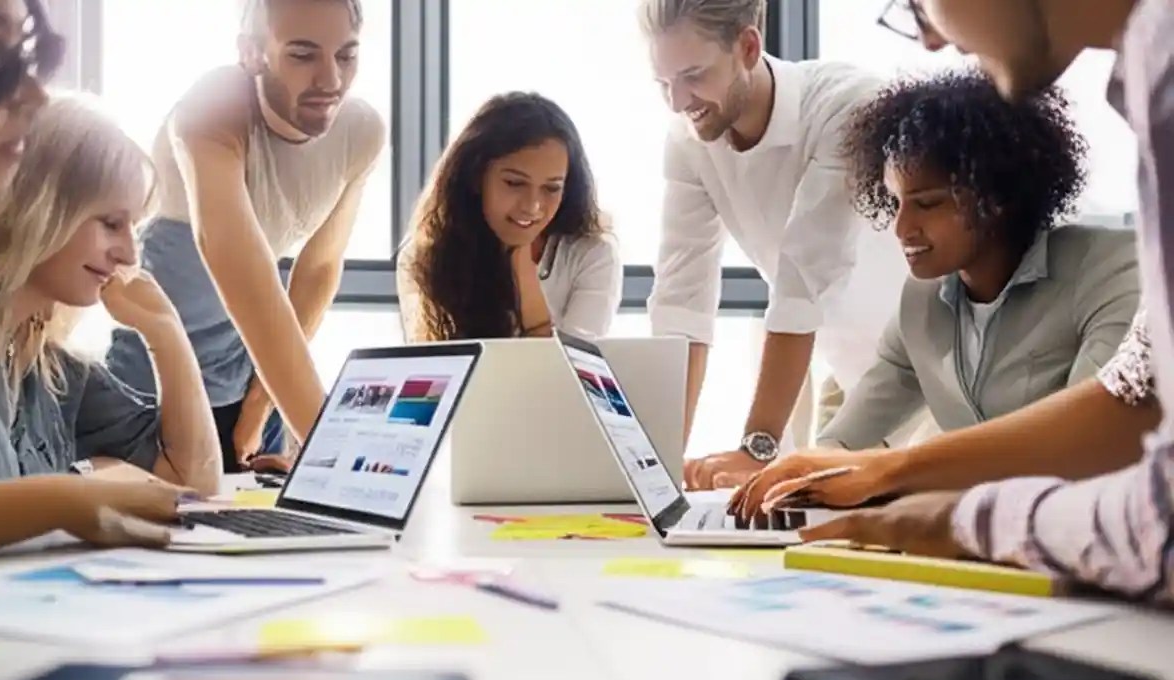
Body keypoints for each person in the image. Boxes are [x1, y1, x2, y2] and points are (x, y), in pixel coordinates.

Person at [784, 0, 1174, 604]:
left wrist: (957, 516)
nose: (931, 37)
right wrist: (828, 473)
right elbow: (1132, 402)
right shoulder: (1150, 66)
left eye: (917, 4)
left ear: (994, 197)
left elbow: (1143, 495)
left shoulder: (1109, 260)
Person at [0, 0, 204, 570]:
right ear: (40, 206)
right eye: (110, 222)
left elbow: (188, 481)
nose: (130, 252)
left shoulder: (41, 357)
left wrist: (167, 333)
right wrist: (63, 501)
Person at [105, 0, 386, 472]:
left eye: (345, 55)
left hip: (254, 379)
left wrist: (261, 404)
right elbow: (237, 264)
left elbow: (318, 269)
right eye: (303, 55)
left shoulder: (361, 133)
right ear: (252, 53)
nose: (331, 80)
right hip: (150, 385)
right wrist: (334, 454)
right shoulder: (213, 108)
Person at [798, 70, 1137, 460]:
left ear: (997, 197)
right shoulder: (921, 304)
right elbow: (838, 444)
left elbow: (1085, 441)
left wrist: (894, 471)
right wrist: (795, 474)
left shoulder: (1112, 269)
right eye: (895, 203)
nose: (901, 227)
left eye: (927, 204)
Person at [640, 0, 910, 489]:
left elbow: (803, 280)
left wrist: (755, 446)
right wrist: (656, 469)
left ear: (747, 47)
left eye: (693, 75)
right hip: (854, 380)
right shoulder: (687, 142)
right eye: (664, 83)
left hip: (941, 376)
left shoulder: (846, 104)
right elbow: (681, 304)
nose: (678, 102)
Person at [397, 92, 621, 341]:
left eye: (551, 188)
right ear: (476, 176)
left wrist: (523, 269)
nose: (532, 206)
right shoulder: (427, 255)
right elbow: (436, 366)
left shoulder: (593, 254)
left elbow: (568, 372)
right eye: (515, 183)